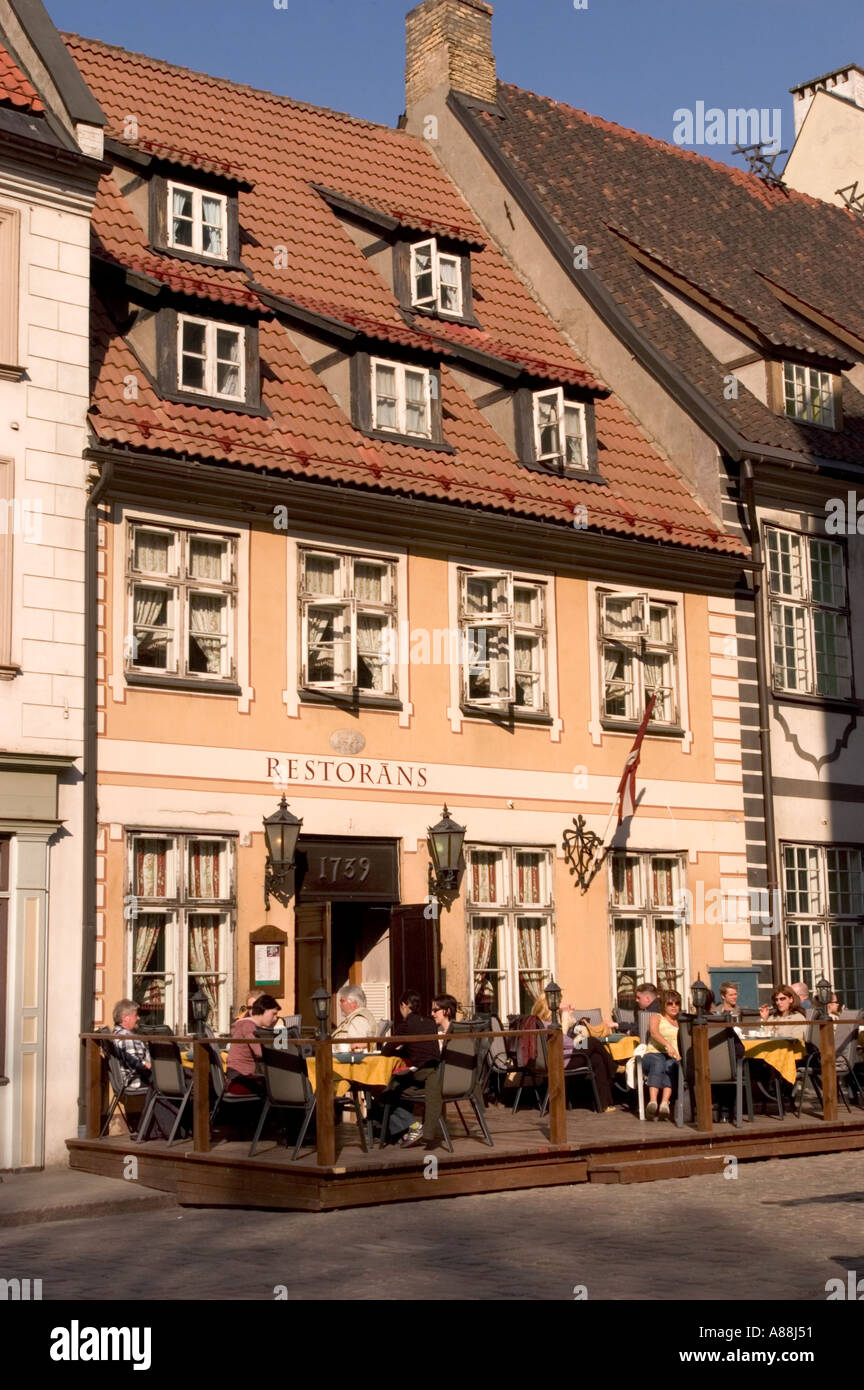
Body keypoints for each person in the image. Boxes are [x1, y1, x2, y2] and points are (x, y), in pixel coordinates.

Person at [531, 992, 617, 1112]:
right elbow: (568, 1043)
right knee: (592, 1041)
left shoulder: (539, 1022)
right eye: (559, 1002)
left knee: (596, 1059)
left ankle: (604, 1104)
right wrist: (566, 1025)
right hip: (561, 1061)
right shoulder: (550, 1025)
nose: (562, 1005)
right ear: (551, 1006)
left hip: (560, 1058)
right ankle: (613, 1068)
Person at [376, 989, 440, 1144]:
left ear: (404, 1005)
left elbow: (387, 1050)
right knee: (398, 1086)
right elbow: (422, 1047)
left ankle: (413, 1126)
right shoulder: (430, 1023)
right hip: (437, 1072)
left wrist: (394, 1050)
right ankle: (405, 1131)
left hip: (421, 1073)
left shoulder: (406, 1025)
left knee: (385, 1091)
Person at [225, 993, 281, 1097]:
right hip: (240, 1077)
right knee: (275, 1088)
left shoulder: (244, 1024)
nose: (275, 1018)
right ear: (264, 1010)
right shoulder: (249, 1026)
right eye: (273, 1014)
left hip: (235, 1074)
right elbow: (259, 1052)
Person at [643, 990, 682, 1120]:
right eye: (670, 1003)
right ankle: (653, 1102)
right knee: (659, 1061)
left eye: (677, 1003)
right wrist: (668, 1045)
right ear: (664, 1005)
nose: (674, 1006)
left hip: (672, 1057)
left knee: (670, 1065)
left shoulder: (681, 1021)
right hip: (653, 1054)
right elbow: (654, 1033)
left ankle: (664, 1103)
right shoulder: (657, 1017)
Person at [330, 985, 378, 1053]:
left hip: (347, 1061)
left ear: (354, 1004)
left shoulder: (359, 1019)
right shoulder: (355, 1018)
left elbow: (360, 1047)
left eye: (342, 1001)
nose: (339, 1004)